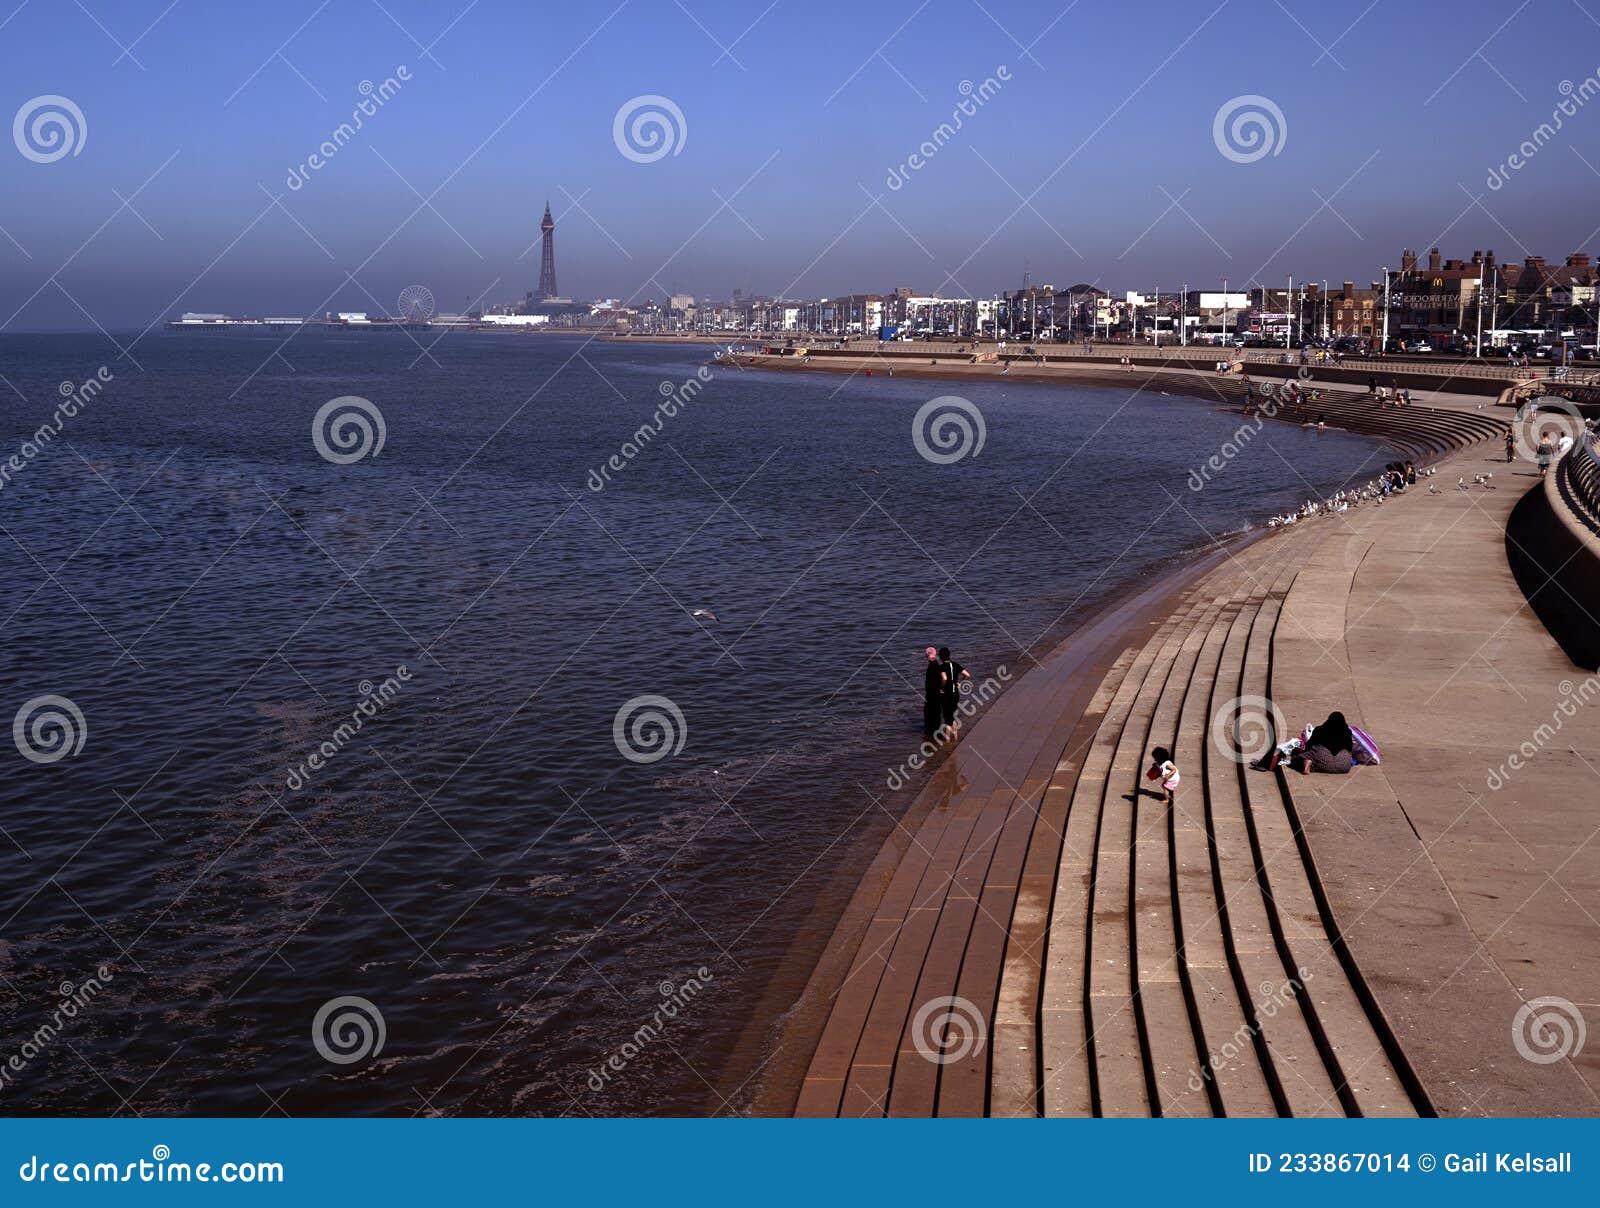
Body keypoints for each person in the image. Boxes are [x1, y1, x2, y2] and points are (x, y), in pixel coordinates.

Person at [1292, 711, 1355, 775]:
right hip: (1343, 766)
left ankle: (1307, 763)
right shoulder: (1347, 732)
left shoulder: (1319, 729)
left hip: (1323, 758)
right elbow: (1350, 748)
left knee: (1297, 758)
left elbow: (1309, 745)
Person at [937, 646, 969, 738]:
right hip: (956, 695)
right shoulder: (955, 664)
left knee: (947, 719)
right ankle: (955, 738)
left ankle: (947, 742)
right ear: (949, 655)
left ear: (941, 657)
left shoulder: (941, 667)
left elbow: (944, 678)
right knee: (952, 717)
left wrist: (941, 687)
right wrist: (960, 683)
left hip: (947, 695)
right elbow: (967, 675)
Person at [922, 647, 944, 740]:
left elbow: (942, 678)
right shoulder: (935, 664)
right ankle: (934, 733)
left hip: (933, 694)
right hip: (935, 694)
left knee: (931, 713)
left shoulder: (933, 665)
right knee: (935, 713)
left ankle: (933, 734)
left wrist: (941, 688)